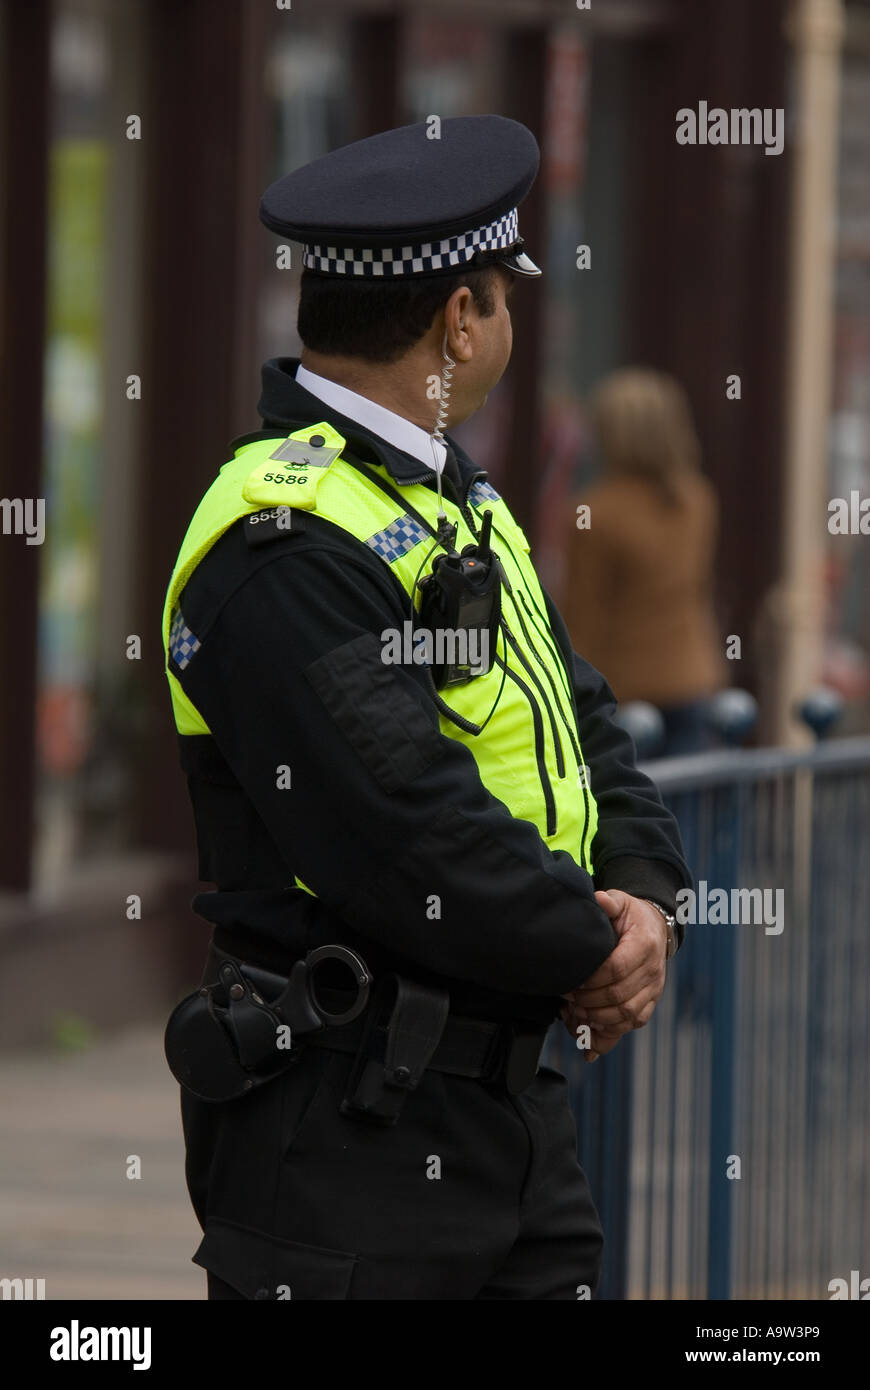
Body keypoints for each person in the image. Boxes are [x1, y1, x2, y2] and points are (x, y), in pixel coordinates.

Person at [161, 115, 691, 1301]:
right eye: (502, 296)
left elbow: (580, 718)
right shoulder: (283, 537)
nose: (509, 320)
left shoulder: (452, 492)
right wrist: (600, 946)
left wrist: (650, 894)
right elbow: (405, 823)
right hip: (355, 1133)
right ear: (462, 317)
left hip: (512, 1117)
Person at [558, 368, 724, 756]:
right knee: (694, 809)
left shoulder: (592, 513)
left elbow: (583, 619)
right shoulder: (698, 499)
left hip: (623, 690)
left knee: (634, 811)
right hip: (693, 677)